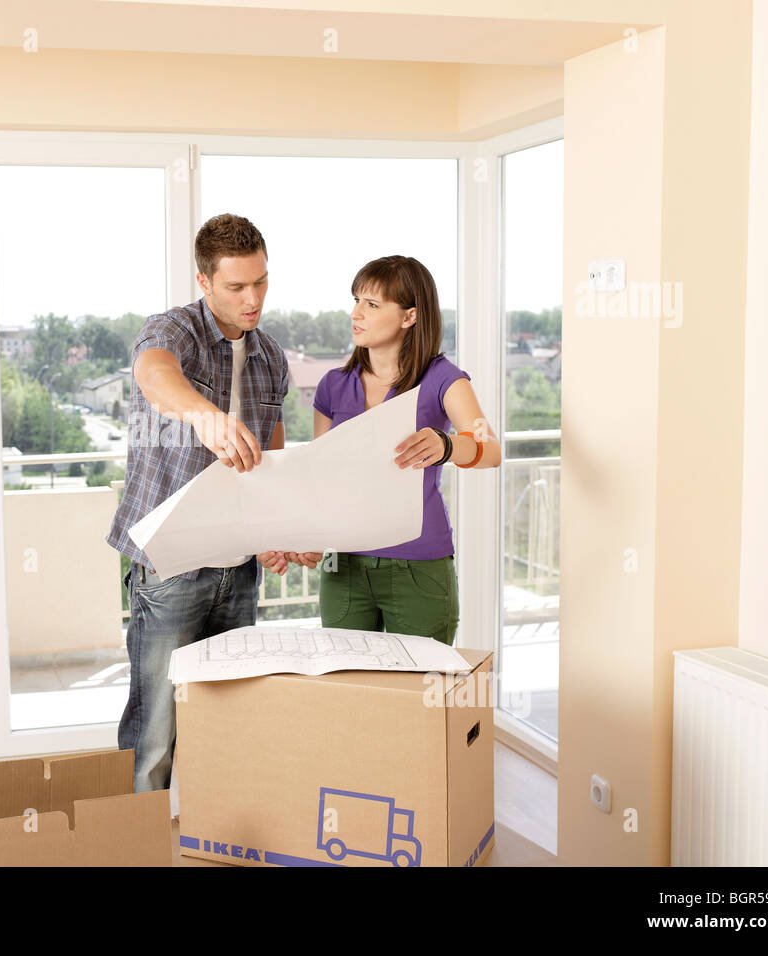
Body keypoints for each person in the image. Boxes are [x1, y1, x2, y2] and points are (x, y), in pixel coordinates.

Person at [106, 213, 293, 793]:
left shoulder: (270, 357)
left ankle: (215, 837)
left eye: (261, 282)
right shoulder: (175, 330)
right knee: (154, 731)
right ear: (205, 282)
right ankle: (131, 846)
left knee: (225, 721)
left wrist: (276, 527)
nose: (253, 298)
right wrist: (203, 415)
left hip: (238, 568)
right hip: (171, 564)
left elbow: (274, 452)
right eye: (237, 286)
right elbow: (154, 373)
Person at [295, 255, 501, 645]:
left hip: (419, 566)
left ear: (409, 317)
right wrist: (309, 534)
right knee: (351, 692)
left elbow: (489, 450)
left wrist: (446, 445)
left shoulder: (442, 379)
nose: (356, 313)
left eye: (371, 305)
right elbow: (320, 478)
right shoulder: (333, 386)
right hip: (344, 565)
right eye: (356, 300)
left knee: (419, 696)